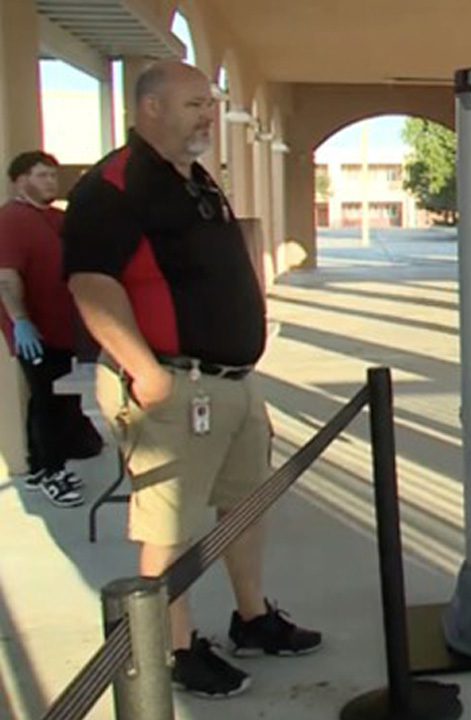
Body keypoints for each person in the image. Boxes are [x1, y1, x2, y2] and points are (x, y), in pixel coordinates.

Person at [62, 60, 320, 700]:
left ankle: (252, 618)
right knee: (168, 526)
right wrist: (147, 374)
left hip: (229, 383)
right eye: (193, 104)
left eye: (209, 103)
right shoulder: (115, 186)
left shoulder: (196, 179)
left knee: (244, 506)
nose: (207, 114)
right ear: (150, 108)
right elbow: (91, 283)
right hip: (176, 386)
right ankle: (172, 648)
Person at [0, 151, 87, 508]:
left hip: (65, 329)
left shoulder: (55, 218)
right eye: (41, 176)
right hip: (36, 333)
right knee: (50, 401)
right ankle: (52, 472)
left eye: (52, 175)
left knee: (53, 400)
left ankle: (39, 467)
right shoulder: (11, 220)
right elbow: (6, 276)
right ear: (21, 181)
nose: (51, 181)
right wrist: (20, 321)